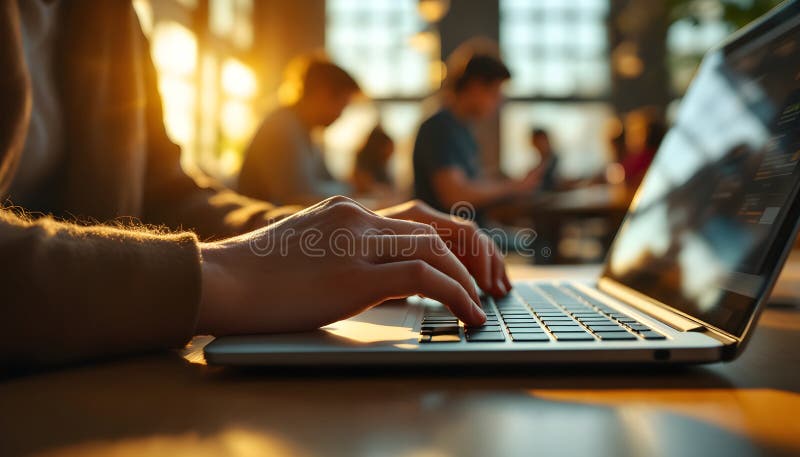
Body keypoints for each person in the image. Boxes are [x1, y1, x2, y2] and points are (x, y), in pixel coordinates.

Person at [1, 1, 510, 370]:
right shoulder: (283, 130)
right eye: (339, 103)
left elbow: (164, 191)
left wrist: (310, 236)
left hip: (106, 367)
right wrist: (222, 275)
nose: (340, 116)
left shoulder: (111, 16)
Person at [412, 47, 543, 216]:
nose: (499, 100)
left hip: (470, 231)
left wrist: (504, 181)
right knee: (537, 242)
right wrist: (513, 187)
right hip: (450, 237)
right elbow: (455, 195)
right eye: (495, 92)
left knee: (533, 239)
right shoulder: (439, 128)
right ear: (475, 86)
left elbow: (470, 182)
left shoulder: (462, 129)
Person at [238, 53, 358, 206]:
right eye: (342, 105)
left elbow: (327, 181)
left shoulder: (306, 131)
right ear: (322, 94)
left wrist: (348, 186)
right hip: (267, 226)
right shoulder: (282, 128)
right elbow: (300, 197)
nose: (341, 115)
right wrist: (350, 188)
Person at [351, 125, 394, 196]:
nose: (389, 155)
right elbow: (362, 186)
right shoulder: (363, 163)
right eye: (388, 150)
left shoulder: (382, 166)